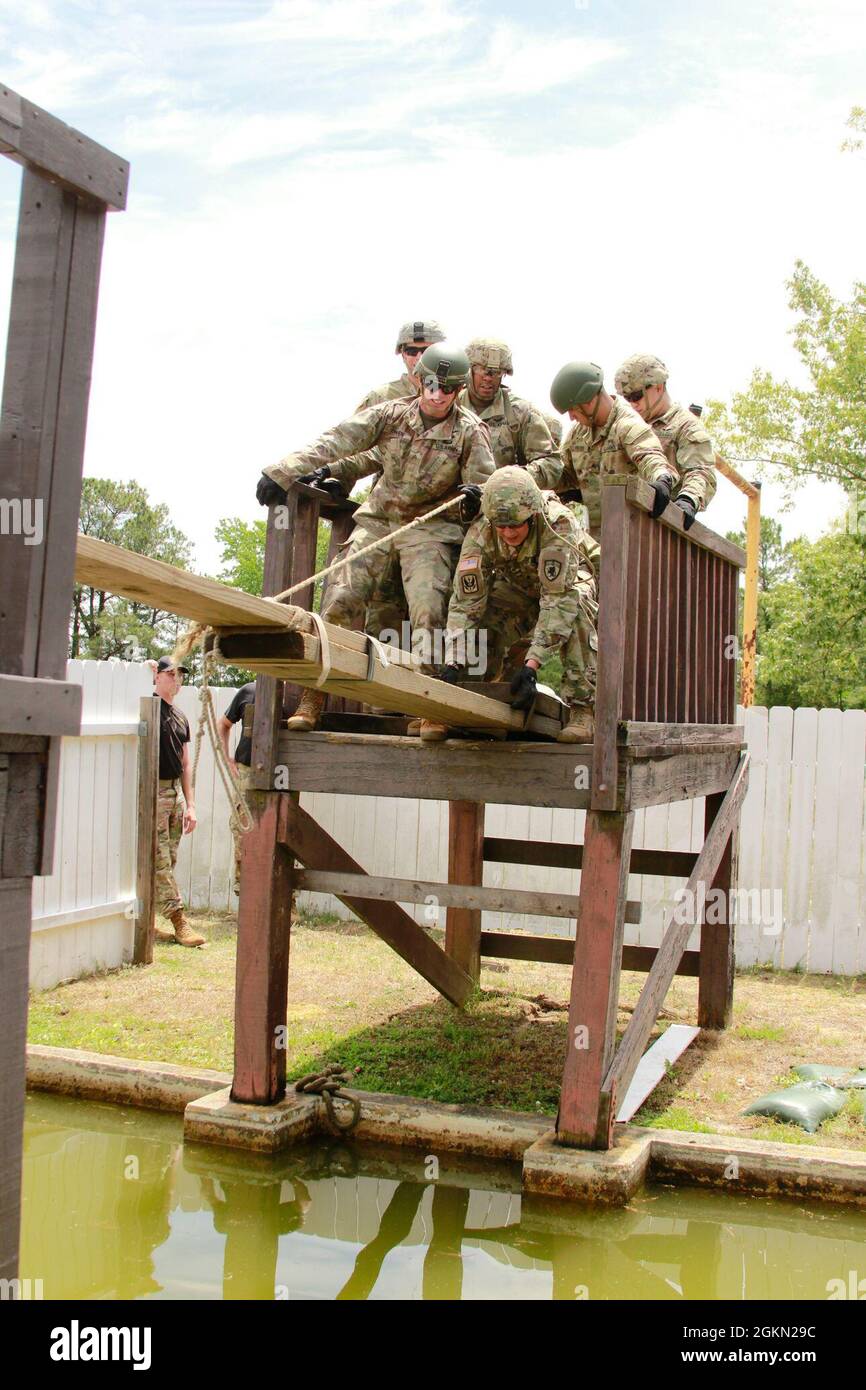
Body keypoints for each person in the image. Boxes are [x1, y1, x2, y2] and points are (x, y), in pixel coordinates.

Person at [256, 342, 495, 739]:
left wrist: (474, 498)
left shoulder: (470, 431)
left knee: (429, 610)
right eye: (431, 384)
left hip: (430, 529)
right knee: (339, 598)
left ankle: (430, 704)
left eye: (447, 388)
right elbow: (338, 439)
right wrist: (283, 471)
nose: (437, 395)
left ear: (458, 390)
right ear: (420, 380)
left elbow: (485, 492)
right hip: (380, 519)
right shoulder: (391, 415)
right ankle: (314, 695)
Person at [442, 467, 599, 743]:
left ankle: (583, 710)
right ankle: (462, 704)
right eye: (501, 526)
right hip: (520, 585)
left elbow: (557, 599)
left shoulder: (557, 524)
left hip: (568, 582)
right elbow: (465, 603)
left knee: (577, 605)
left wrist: (532, 666)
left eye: (515, 525)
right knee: (486, 620)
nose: (507, 533)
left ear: (533, 515)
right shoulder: (482, 530)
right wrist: (452, 663)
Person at [550, 360, 680, 541]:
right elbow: (563, 473)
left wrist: (662, 479)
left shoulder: (627, 425)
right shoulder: (578, 434)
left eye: (572, 410)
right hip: (596, 544)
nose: (571, 418)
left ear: (588, 401)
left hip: (633, 542)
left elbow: (649, 455)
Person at [613, 353, 717, 528]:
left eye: (637, 396)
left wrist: (688, 500)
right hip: (620, 522)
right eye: (627, 398)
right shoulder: (625, 425)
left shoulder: (685, 426)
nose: (632, 404)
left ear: (659, 387)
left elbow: (701, 472)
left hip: (661, 527)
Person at [152, 657, 204, 947]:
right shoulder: (148, 709)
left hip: (174, 795)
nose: (176, 679)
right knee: (159, 860)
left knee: (167, 860)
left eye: (179, 675)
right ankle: (178, 921)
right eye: (170, 674)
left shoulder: (180, 716)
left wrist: (191, 805)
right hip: (154, 793)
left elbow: (186, 765)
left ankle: (146, 921)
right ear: (157, 677)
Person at [461, 337, 562, 487]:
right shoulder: (450, 406)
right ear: (469, 370)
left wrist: (513, 479)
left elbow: (551, 464)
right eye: (482, 369)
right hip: (454, 504)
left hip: (504, 501)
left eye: (496, 372)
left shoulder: (520, 412)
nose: (488, 378)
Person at [217, 680, 255, 896]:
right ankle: (244, 892)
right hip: (246, 771)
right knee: (241, 827)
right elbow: (223, 724)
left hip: (280, 772)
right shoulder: (248, 691)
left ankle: (289, 900)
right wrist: (226, 758)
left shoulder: (292, 693)